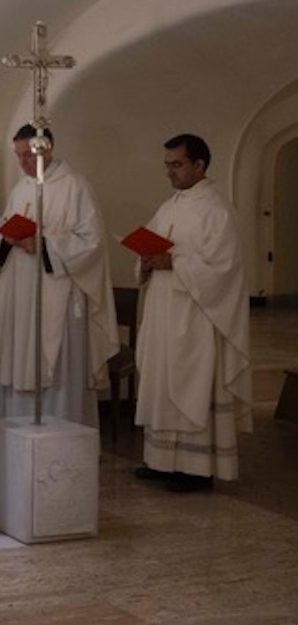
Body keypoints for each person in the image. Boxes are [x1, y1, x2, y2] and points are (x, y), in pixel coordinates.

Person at [134, 134, 252, 493]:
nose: (170, 172)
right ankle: (162, 460)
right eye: (167, 165)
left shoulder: (216, 209)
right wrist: (145, 259)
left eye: (177, 164)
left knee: (190, 381)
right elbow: (152, 246)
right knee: (163, 380)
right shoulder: (168, 207)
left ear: (199, 165)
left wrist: (175, 262)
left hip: (196, 315)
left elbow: (225, 268)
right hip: (163, 308)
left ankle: (196, 469)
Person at [0, 125, 120, 428]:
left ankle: (63, 440)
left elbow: (92, 242)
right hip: (19, 292)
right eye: (18, 155)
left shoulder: (75, 186)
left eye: (28, 155)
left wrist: (43, 244)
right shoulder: (19, 189)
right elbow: (0, 237)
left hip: (56, 293)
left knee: (56, 368)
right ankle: (16, 437)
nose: (23, 163)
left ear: (47, 149)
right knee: (19, 360)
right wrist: (6, 239)